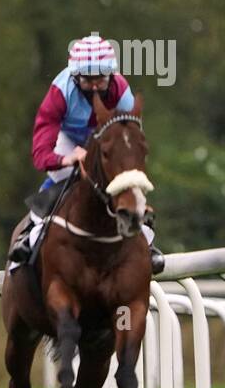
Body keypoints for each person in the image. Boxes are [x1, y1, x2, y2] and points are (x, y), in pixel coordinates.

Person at [9, 32, 164, 273]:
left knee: (122, 178)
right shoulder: (59, 93)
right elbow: (40, 154)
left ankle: (146, 239)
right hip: (70, 140)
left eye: (99, 80)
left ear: (110, 75)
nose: (94, 86)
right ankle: (31, 233)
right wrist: (66, 159)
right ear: (75, 76)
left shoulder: (120, 91)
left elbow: (130, 143)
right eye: (87, 79)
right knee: (63, 179)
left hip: (104, 141)